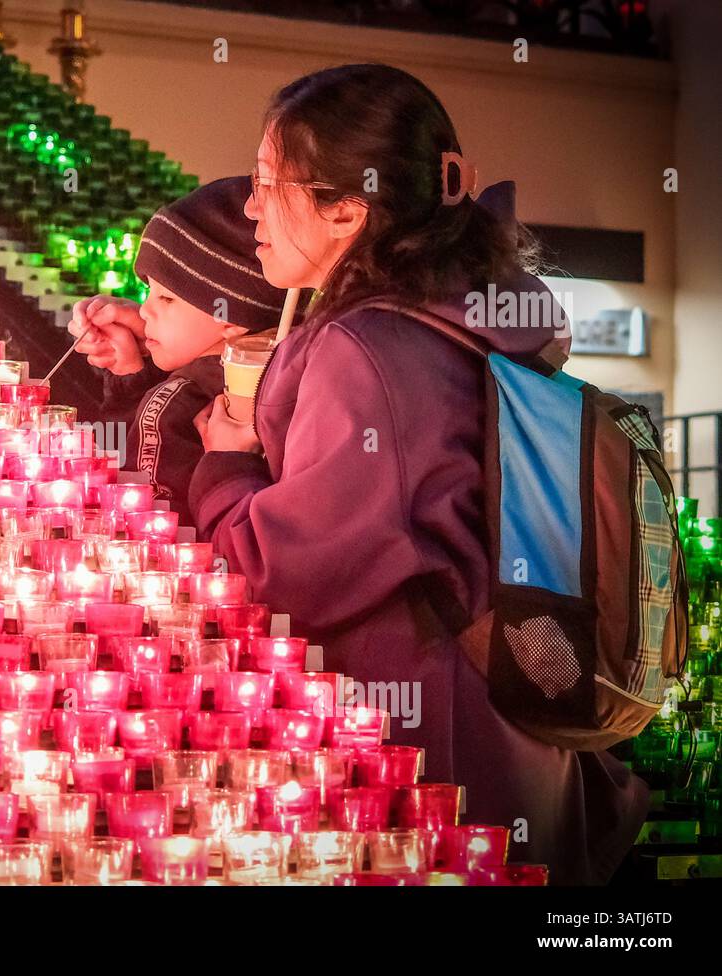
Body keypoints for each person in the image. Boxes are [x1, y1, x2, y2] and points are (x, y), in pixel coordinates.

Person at [189, 63, 648, 884]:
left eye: (266, 182)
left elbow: (287, 572)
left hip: (432, 762)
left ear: (348, 208)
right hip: (509, 727)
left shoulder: (367, 351)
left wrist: (224, 470)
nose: (250, 206)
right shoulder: (456, 317)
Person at [67, 177, 288, 527]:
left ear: (231, 317)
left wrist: (140, 393)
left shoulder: (173, 406)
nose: (143, 311)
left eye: (166, 298)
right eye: (148, 291)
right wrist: (134, 372)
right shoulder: (290, 377)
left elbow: (136, 510)